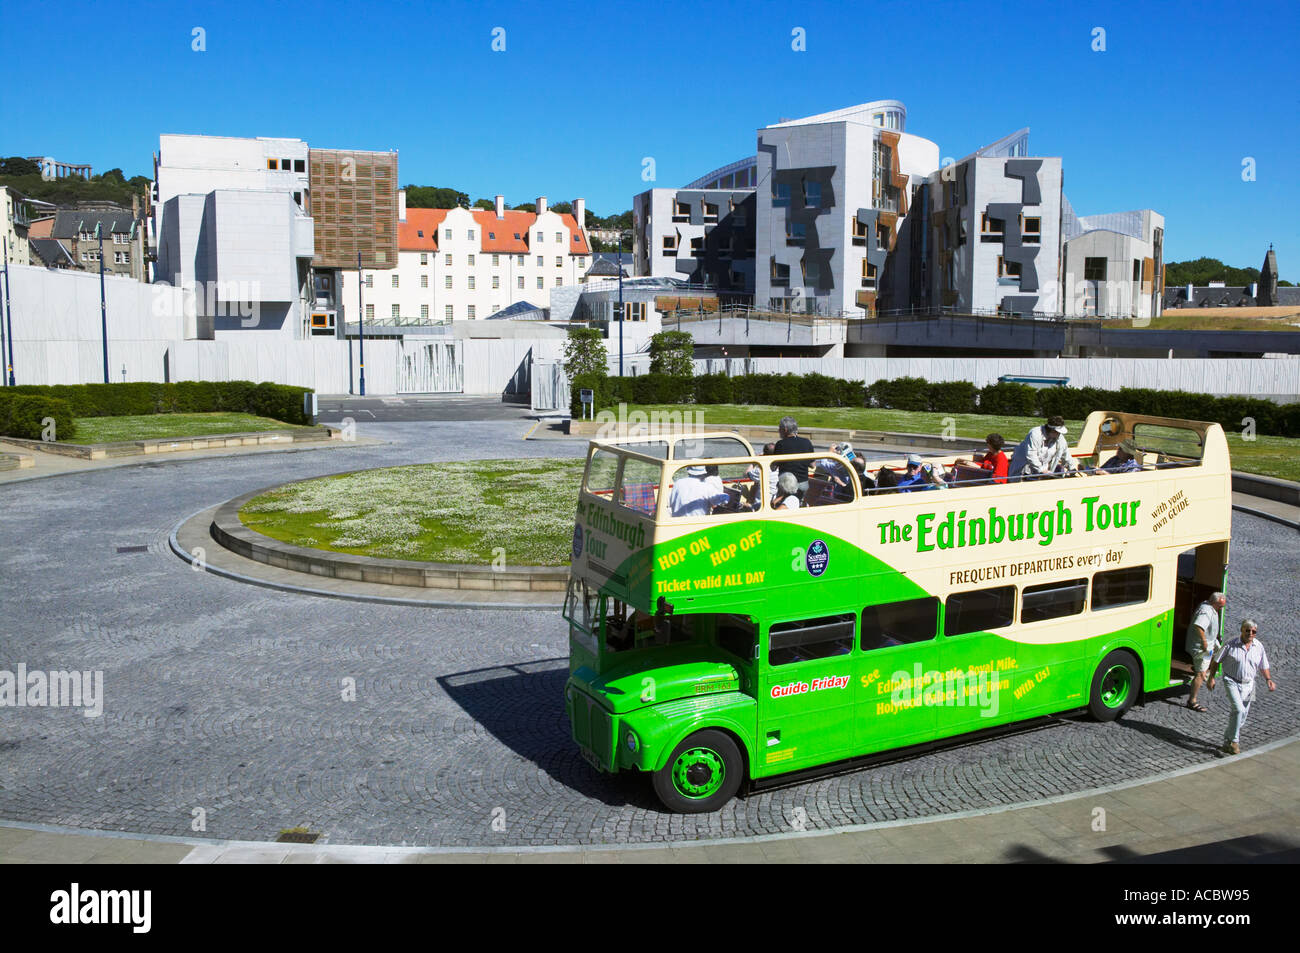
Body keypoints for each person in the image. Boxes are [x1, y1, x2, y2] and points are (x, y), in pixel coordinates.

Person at [1208, 618, 1276, 754]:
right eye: (1247, 630)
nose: (1250, 633)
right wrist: (1211, 678)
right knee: (1238, 710)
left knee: (1242, 715)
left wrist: (1268, 679)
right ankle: (1234, 742)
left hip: (1250, 683)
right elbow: (1216, 660)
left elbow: (1264, 665)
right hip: (1231, 681)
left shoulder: (1259, 647)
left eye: (1253, 631)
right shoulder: (1230, 644)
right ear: (1241, 630)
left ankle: (1226, 741)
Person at [1185, 591, 1226, 713]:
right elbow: (1199, 625)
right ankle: (1192, 701)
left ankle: (1210, 677)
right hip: (1203, 647)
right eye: (1220, 606)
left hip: (1211, 642)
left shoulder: (1210, 607)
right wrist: (1204, 642)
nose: (1221, 609)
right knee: (1201, 673)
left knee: (1220, 654)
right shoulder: (1206, 611)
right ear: (1214, 603)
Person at [1008, 415, 1077, 479]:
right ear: (1051, 430)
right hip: (1024, 471)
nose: (1059, 434)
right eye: (1057, 432)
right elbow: (1031, 454)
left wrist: (1072, 468)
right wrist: (1041, 470)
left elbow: (1065, 453)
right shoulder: (1035, 434)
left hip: (1044, 473)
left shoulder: (1059, 437)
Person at [774, 416, 814, 491]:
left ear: (785, 430)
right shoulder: (806, 442)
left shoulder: (780, 444)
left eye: (780, 429)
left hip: (787, 485)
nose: (778, 430)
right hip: (803, 483)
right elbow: (812, 465)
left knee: (781, 502)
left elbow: (773, 467)